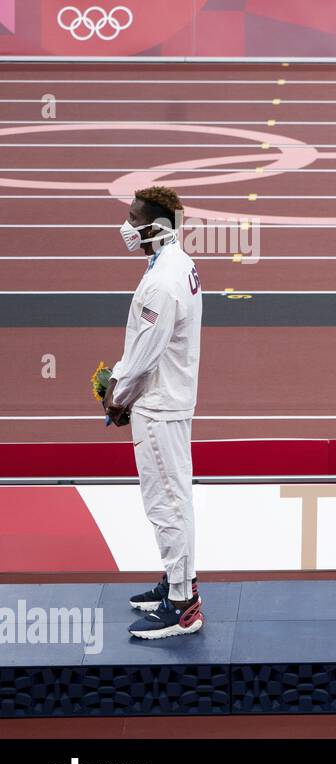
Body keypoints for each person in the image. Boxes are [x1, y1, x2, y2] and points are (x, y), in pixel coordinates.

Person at [103, 185, 206, 638]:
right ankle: (175, 583)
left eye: (133, 217)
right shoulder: (174, 265)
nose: (127, 226)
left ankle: (183, 603)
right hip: (163, 399)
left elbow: (146, 354)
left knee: (167, 504)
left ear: (156, 227)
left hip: (158, 406)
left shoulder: (163, 281)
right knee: (170, 499)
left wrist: (117, 397)